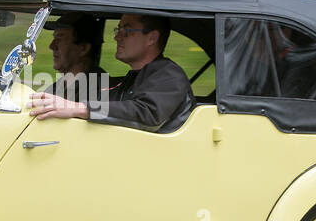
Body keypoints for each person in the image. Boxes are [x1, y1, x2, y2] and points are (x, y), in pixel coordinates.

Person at [28, 13, 194, 132]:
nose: (117, 38)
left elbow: (148, 114)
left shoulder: (169, 75)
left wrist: (80, 108)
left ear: (151, 38)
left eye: (126, 31)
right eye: (118, 30)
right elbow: (103, 101)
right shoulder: (128, 81)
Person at [44, 13, 109, 107]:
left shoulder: (99, 90)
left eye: (60, 39)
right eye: (54, 38)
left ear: (83, 48)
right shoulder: (56, 87)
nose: (52, 46)